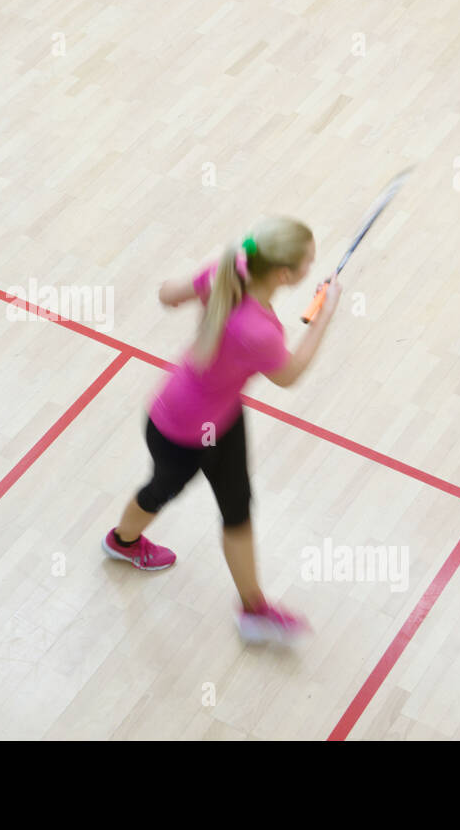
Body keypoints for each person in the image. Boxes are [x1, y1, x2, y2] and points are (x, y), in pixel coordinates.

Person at [102, 218, 341, 643]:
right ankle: (123, 541)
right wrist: (324, 317)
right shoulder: (260, 332)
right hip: (180, 432)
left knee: (237, 507)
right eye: (308, 262)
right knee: (160, 491)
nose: (311, 267)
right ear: (285, 275)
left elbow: (166, 295)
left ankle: (254, 610)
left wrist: (204, 277)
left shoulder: (225, 272)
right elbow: (290, 375)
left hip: (220, 420)